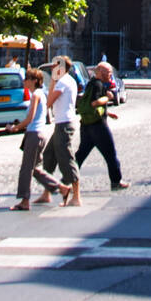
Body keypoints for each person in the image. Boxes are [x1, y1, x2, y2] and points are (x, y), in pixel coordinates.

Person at [7, 68, 62, 211]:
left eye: (27, 78)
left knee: (26, 169)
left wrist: (16, 128)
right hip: (38, 134)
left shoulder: (36, 95)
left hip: (34, 134)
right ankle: (61, 187)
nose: (24, 81)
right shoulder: (39, 94)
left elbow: (30, 118)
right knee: (35, 169)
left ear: (34, 81)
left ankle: (24, 201)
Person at [76, 62, 130, 190]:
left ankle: (67, 179)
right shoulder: (98, 85)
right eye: (109, 72)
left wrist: (108, 113)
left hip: (86, 125)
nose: (110, 75)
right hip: (98, 126)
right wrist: (108, 97)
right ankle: (116, 182)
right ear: (100, 72)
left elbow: (90, 104)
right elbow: (95, 103)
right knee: (111, 154)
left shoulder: (91, 83)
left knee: (81, 154)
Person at [37, 57, 81, 207]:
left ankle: (76, 196)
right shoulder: (68, 80)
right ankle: (46, 193)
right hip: (61, 123)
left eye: (54, 67)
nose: (51, 70)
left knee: (66, 158)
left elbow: (49, 101)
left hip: (64, 124)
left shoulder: (63, 82)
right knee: (49, 156)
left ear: (61, 68)